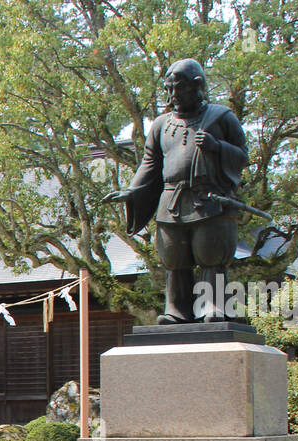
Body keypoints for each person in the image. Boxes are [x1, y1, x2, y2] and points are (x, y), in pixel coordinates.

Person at [104, 59, 249, 323]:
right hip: (171, 200)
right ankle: (177, 311)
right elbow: (150, 163)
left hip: (208, 199)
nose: (173, 96)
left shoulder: (221, 117)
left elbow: (242, 156)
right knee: (175, 258)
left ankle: (213, 306)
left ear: (197, 86)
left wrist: (217, 147)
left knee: (211, 254)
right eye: (169, 90)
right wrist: (133, 191)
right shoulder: (161, 125)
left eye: (178, 89)